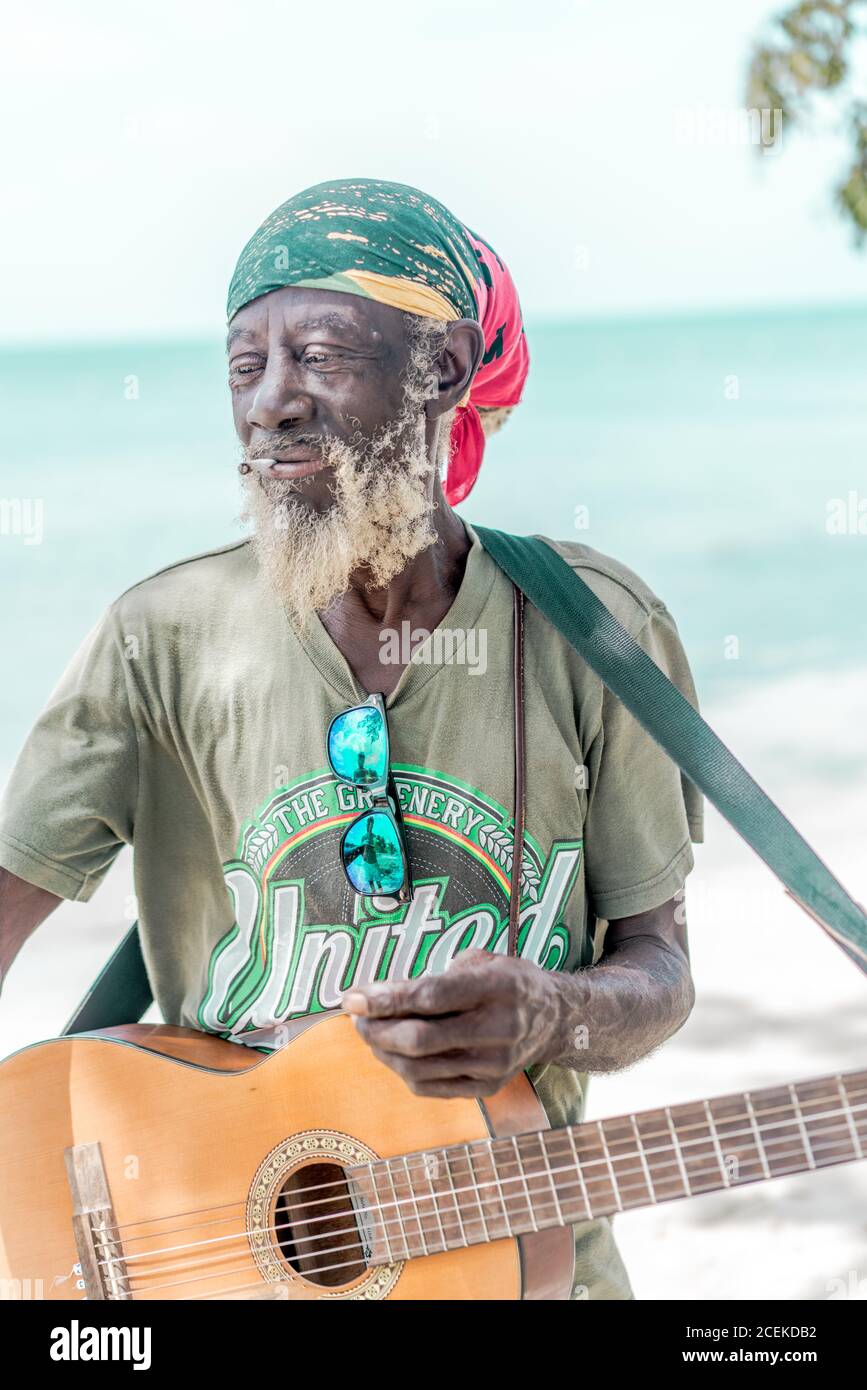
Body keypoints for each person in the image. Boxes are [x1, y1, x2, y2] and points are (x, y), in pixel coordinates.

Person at [0, 177, 703, 1300]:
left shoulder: (597, 632)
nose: (272, 402)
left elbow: (659, 971)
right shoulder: (158, 639)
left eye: (321, 355)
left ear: (444, 365)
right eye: (247, 366)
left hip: (527, 1266)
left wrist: (553, 1009)